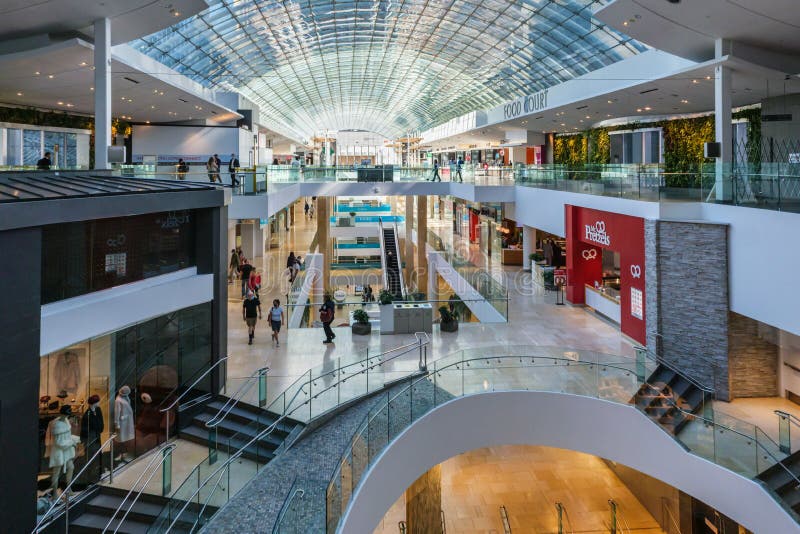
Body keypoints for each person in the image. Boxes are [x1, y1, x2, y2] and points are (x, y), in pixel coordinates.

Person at [49, 405, 78, 495]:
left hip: (67, 451)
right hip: (59, 451)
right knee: (56, 472)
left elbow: (67, 436)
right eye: (66, 415)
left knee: (71, 467)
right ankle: (54, 493)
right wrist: (72, 442)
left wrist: (73, 440)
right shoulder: (57, 425)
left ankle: (68, 489)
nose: (67, 416)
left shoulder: (65, 421)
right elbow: (59, 442)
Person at [80, 395, 104, 483]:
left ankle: (98, 474)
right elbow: (85, 429)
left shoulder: (98, 410)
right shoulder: (87, 414)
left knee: (98, 455)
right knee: (91, 456)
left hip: (97, 436)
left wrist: (99, 429)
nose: (99, 403)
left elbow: (101, 423)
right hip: (90, 438)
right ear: (94, 403)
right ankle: (91, 476)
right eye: (98, 401)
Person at [114, 385, 134, 463]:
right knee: (121, 439)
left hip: (127, 421)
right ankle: (120, 454)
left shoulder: (126, 398)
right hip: (122, 422)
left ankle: (124, 454)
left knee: (125, 439)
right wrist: (117, 424)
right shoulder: (118, 400)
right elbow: (117, 413)